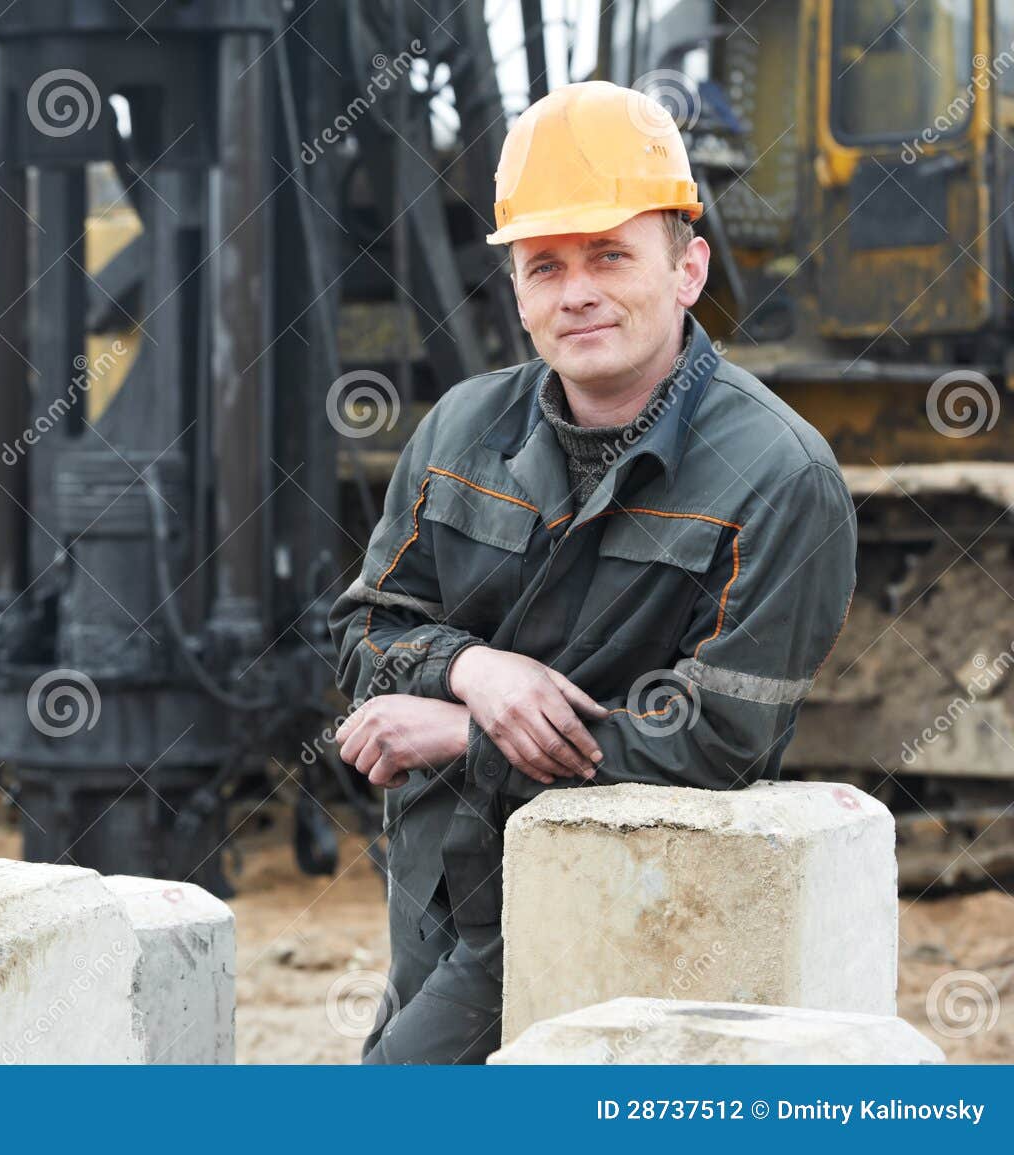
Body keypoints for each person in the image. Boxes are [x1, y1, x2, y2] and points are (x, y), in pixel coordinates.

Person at [328, 80, 858, 1065]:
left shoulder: (780, 477)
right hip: (436, 883)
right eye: (545, 265)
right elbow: (363, 637)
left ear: (688, 268)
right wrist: (471, 670)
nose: (576, 291)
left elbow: (717, 747)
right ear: (518, 290)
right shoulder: (457, 432)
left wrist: (462, 729)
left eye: (610, 255)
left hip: (628, 899)